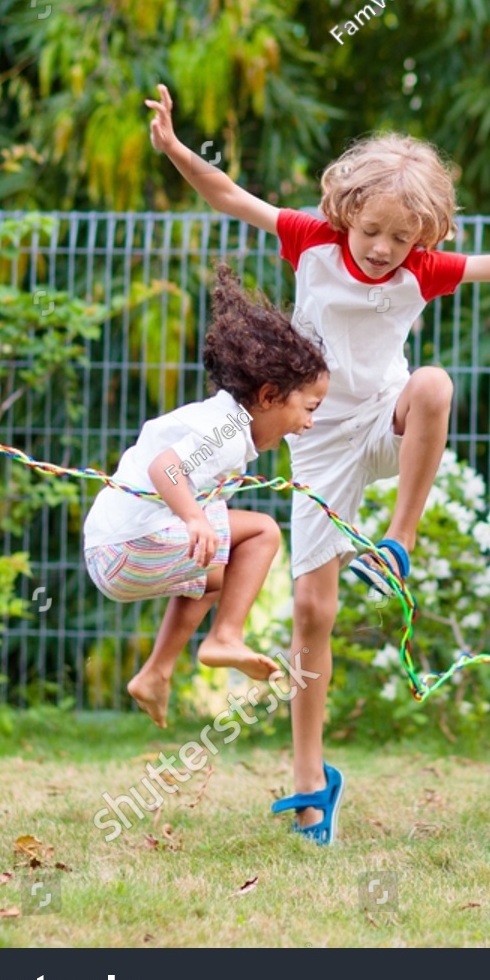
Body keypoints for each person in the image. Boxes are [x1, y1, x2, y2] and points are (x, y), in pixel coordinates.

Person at [145, 84, 490, 842]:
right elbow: (228, 195)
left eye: (402, 236)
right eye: (374, 230)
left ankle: (401, 542)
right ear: (347, 211)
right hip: (317, 436)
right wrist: (175, 149)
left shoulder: (423, 269)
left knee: (435, 384)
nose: (384, 248)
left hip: (386, 421)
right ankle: (310, 783)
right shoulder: (309, 238)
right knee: (313, 612)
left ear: (423, 234)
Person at [84, 264, 328, 730]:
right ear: (271, 395)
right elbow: (164, 468)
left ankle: (156, 673)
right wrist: (195, 519)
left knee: (216, 573)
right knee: (260, 533)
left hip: (112, 552)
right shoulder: (228, 428)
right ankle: (225, 637)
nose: (309, 423)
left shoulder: (227, 424)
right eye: (309, 408)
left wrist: (199, 521)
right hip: (128, 545)